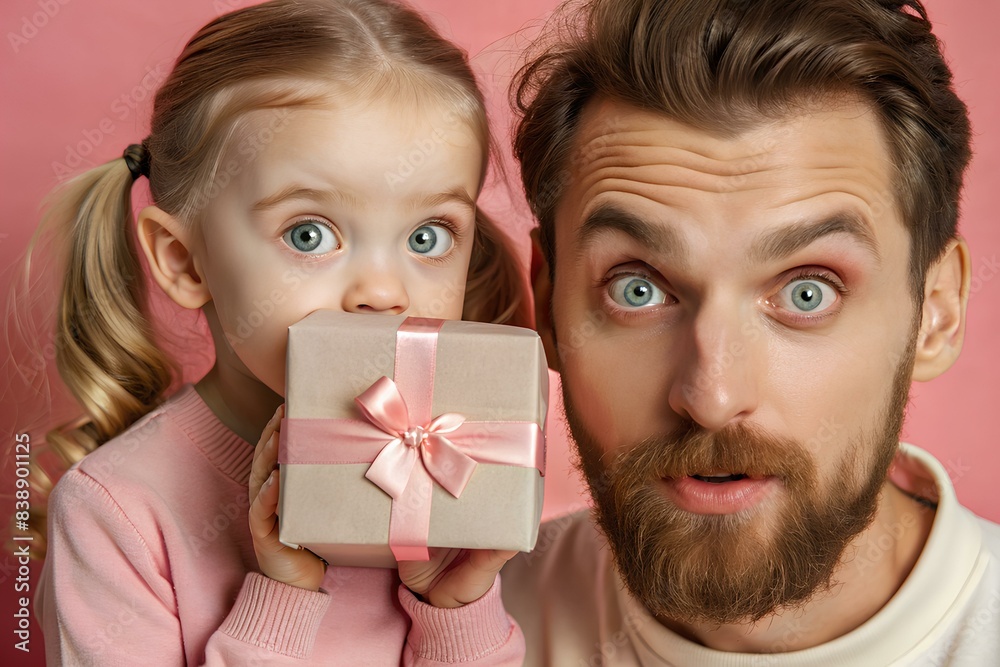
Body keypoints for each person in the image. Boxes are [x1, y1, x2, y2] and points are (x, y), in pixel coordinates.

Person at [32, 0, 530, 663]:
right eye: (310, 233)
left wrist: (456, 610)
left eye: (427, 235)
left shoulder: (455, 465)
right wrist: (282, 598)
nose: (383, 291)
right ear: (184, 261)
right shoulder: (116, 514)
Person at [502, 0, 1000, 664]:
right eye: (638, 289)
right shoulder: (460, 627)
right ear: (546, 306)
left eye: (806, 291)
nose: (711, 395)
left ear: (935, 311)